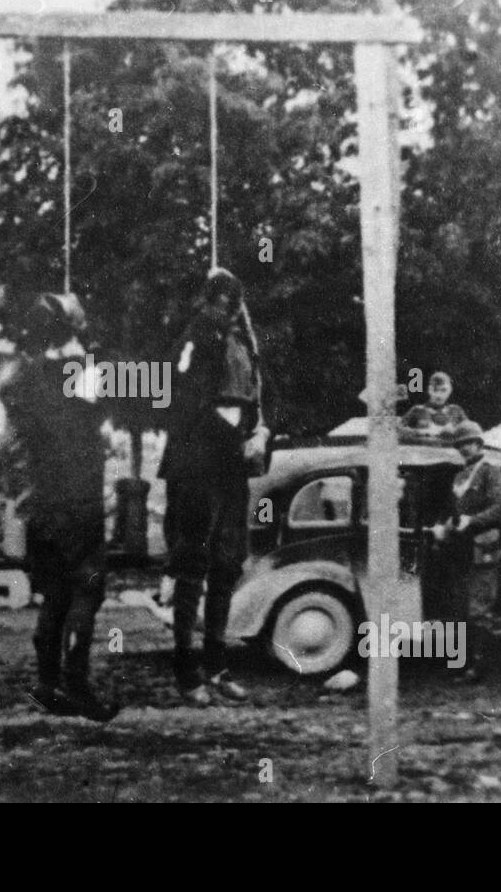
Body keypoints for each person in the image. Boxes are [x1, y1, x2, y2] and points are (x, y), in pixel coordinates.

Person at [0, 293, 120, 722]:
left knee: (54, 593)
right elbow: (102, 425)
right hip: (79, 499)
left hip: (42, 500)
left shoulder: (22, 378)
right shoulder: (83, 371)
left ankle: (47, 683)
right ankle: (76, 683)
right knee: (87, 589)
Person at [160, 268, 269, 706]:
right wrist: (230, 436)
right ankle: (187, 673)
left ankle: (217, 665)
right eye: (218, 300)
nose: (226, 309)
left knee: (227, 563)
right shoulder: (194, 338)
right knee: (193, 564)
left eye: (232, 301)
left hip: (232, 466)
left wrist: (260, 432)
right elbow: (185, 400)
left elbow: (257, 399)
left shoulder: (243, 344)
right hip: (197, 463)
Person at [430, 420, 501, 682]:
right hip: (460, 548)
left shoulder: (490, 472)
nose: (465, 448)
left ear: (479, 444)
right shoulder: (460, 475)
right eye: (461, 444)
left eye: (469, 443)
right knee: (459, 607)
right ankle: (460, 663)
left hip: (482, 547)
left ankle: (479, 667)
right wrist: (442, 525)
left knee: (479, 609)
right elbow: (454, 510)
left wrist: (473, 521)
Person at [402, 372, 467, 435]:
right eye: (435, 390)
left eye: (443, 390)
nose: (439, 395)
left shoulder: (456, 411)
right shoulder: (417, 411)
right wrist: (419, 432)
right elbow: (397, 429)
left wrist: (455, 431)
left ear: (450, 390)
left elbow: (471, 431)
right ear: (429, 390)